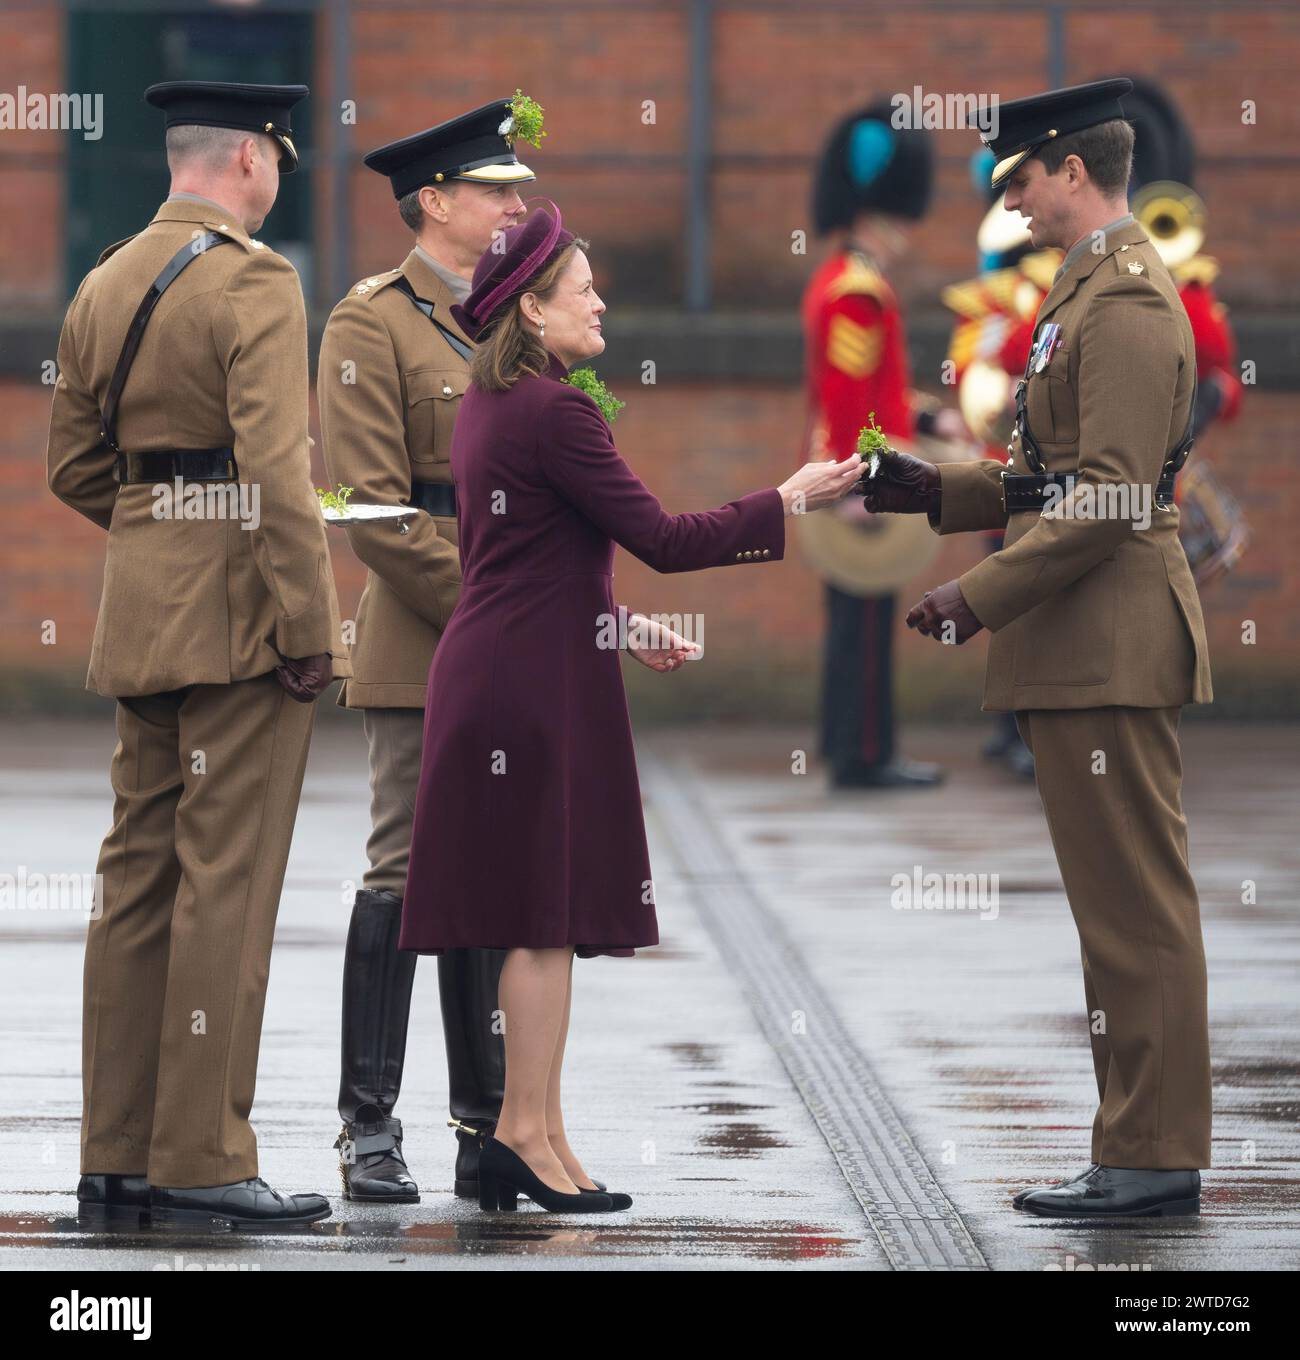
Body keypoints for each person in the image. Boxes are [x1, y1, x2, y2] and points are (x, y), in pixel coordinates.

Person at [398, 202, 862, 1213]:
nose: (599, 299)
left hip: (510, 669)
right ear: (529, 310)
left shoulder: (493, 401)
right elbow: (663, 532)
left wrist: (625, 625)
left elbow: (533, 555)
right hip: (527, 686)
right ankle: (520, 1130)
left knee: (545, 914)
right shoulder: (557, 409)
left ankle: (545, 1128)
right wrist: (785, 499)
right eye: (580, 289)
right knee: (537, 917)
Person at [865, 79, 1212, 1218]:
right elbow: (1051, 474)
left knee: (1133, 909)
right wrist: (933, 491)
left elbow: (1113, 498)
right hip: (1083, 637)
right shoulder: (1080, 289)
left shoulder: (1120, 300)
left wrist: (981, 593)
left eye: (1019, 181)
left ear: (1071, 169)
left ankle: (1149, 1152)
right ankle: (1132, 1142)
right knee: (1111, 910)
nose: (1008, 202)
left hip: (1106, 637)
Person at [46, 81, 350, 1229]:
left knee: (135, 881)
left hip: (142, 618)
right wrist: (311, 626)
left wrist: (161, 533)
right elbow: (278, 473)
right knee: (226, 887)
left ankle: (115, 1155)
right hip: (239, 629)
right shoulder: (258, 279)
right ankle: (206, 1157)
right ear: (251, 161)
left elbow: (76, 470)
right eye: (280, 157)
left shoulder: (104, 278)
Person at [318, 97, 537, 1204]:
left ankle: (484, 1124)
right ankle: (368, 1125)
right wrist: (498, 605)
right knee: (406, 870)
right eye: (498, 189)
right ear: (436, 201)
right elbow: (358, 505)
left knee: (490, 878)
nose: (518, 203)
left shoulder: (522, 314)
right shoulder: (370, 321)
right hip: (427, 634)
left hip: (513, 630)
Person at [801, 100, 965, 790]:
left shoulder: (842, 280)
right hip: (861, 475)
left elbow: (877, 393)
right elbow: (847, 397)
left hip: (860, 461)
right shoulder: (861, 291)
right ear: (875, 213)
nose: (906, 233)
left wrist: (929, 422)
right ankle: (864, 755)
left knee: (857, 619)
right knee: (863, 624)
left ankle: (855, 748)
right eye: (899, 219)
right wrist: (853, 485)